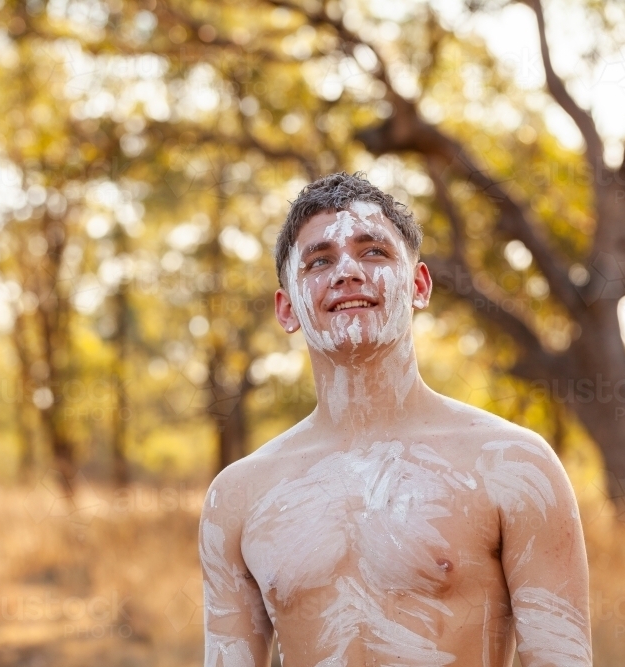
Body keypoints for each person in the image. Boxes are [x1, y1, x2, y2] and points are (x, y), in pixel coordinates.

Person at [199, 172, 591, 667]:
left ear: (419, 285)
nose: (347, 272)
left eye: (373, 252)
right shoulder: (238, 495)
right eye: (319, 261)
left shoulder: (512, 465)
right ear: (287, 308)